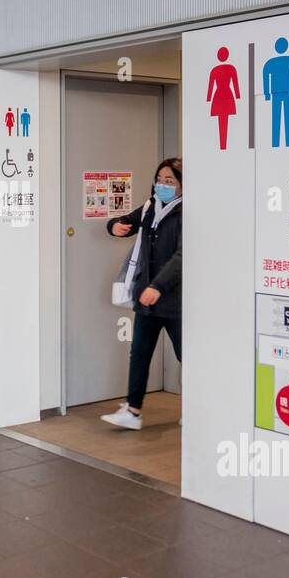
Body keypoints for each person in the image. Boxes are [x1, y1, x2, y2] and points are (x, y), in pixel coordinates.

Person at [101, 157, 182, 430]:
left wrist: (158, 286)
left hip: (176, 300)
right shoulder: (150, 206)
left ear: (183, 185)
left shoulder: (187, 212)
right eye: (159, 179)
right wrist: (114, 225)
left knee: (187, 357)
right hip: (146, 298)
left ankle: (197, 408)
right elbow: (125, 222)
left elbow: (182, 257)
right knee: (140, 354)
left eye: (169, 181)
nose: (162, 185)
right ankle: (133, 411)